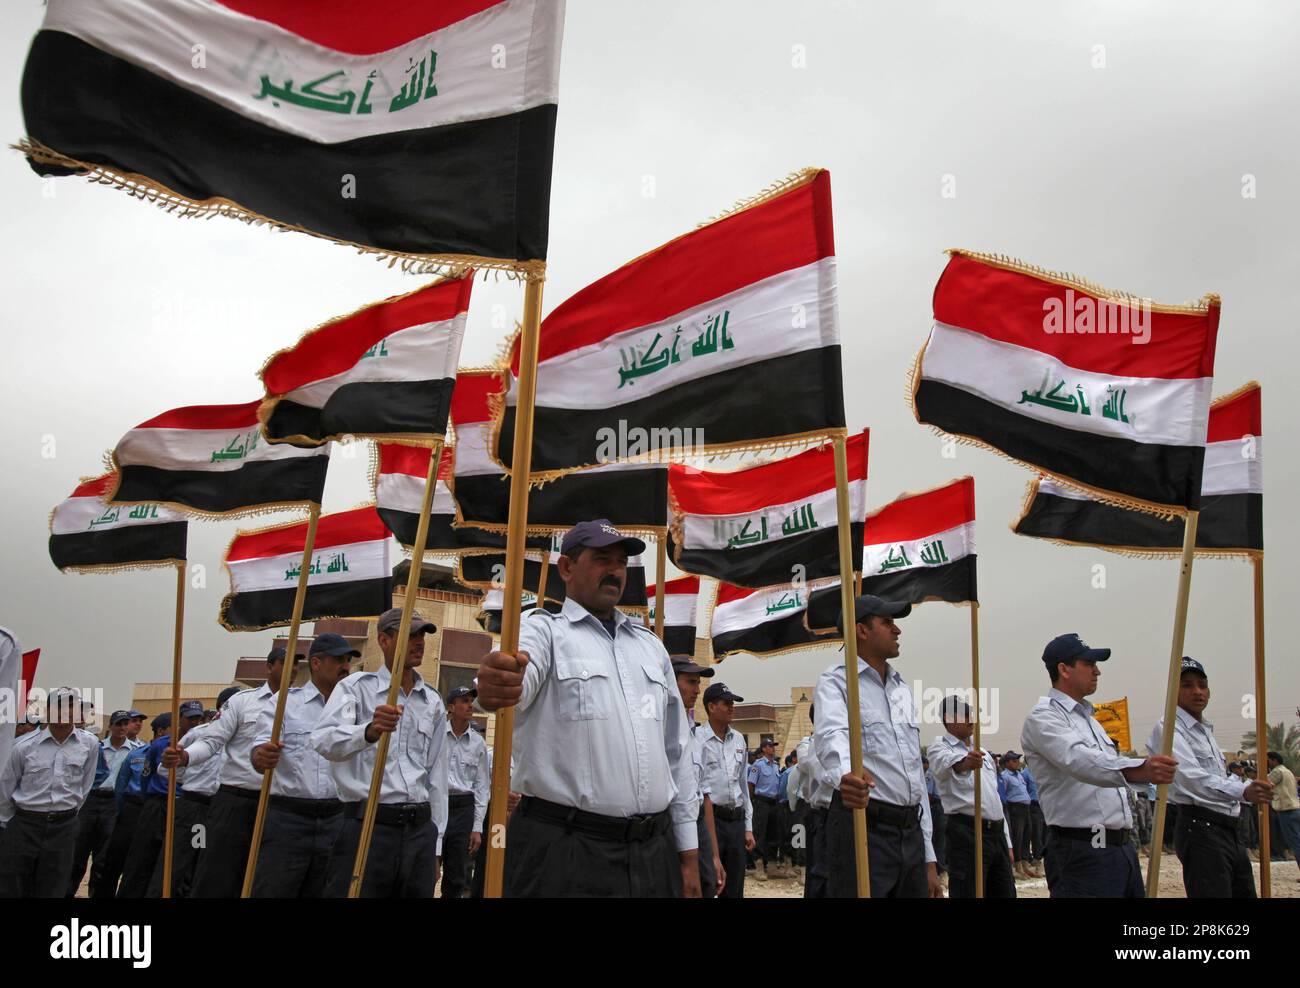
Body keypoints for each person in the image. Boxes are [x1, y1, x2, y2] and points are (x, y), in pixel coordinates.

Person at [476, 520, 700, 898]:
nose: (614, 570)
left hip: (652, 851)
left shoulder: (651, 647)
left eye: (620, 562)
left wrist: (688, 853)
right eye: (601, 559)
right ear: (566, 568)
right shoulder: (543, 630)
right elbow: (515, 674)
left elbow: (676, 752)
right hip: (567, 850)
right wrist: (498, 682)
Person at [1020, 633, 1177, 898]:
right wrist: (1139, 769)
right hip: (1082, 850)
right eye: (1089, 663)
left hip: (1120, 848)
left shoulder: (1091, 721)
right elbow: (1079, 761)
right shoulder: (1043, 718)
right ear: (1064, 669)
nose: (1097, 671)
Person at [313, 608, 448, 898]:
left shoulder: (432, 701)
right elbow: (325, 740)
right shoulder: (355, 690)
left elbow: (437, 775)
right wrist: (367, 731)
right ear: (384, 641)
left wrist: (435, 843)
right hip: (368, 827)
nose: (419, 642)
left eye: (422, 634)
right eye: (410, 635)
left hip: (419, 830)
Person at [814, 595, 943, 899]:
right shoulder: (837, 683)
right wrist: (846, 775)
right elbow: (832, 736)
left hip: (910, 832)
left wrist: (928, 856)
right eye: (887, 622)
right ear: (861, 630)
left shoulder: (902, 689)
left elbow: (914, 773)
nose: (897, 630)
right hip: (865, 828)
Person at [165, 646, 302, 897]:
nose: (292, 669)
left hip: (278, 805)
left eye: (296, 663)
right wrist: (186, 756)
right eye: (285, 662)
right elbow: (211, 741)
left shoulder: (303, 704)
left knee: (265, 880)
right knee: (218, 876)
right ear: (269, 667)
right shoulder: (241, 702)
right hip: (235, 801)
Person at [1145, 657, 1273, 898]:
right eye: (1187, 685)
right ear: (1173, 690)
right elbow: (1191, 780)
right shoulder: (1169, 728)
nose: (1197, 692)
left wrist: (1249, 789)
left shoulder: (1205, 732)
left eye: (1202, 685)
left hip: (1229, 830)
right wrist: (1244, 791)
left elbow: (1218, 777)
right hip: (1200, 828)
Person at [246, 634, 357, 898]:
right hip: (289, 819)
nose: (346, 666)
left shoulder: (354, 708)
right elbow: (259, 750)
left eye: (348, 661)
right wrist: (261, 757)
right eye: (338, 659)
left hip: (337, 818)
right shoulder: (285, 702)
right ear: (316, 663)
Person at [0, 688, 99, 897]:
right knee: (14, 884)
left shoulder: (89, 745)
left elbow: (85, 785)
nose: (66, 712)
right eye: (60, 706)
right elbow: (5, 790)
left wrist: (65, 814)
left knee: (54, 886)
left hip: (64, 827)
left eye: (72, 706)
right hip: (25, 824)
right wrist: (13, 824)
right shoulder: (24, 746)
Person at [927, 696, 1015, 898]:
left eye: (971, 713)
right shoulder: (939, 748)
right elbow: (950, 764)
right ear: (948, 719)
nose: (970, 718)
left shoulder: (982, 751)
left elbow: (994, 800)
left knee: (1004, 890)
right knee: (970, 890)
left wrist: (1007, 842)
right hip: (967, 831)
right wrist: (966, 762)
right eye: (964, 714)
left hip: (996, 832)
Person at [167, 687, 240, 897]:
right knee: (182, 859)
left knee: (206, 861)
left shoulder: (239, 740)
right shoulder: (200, 733)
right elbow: (168, 769)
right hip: (195, 806)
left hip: (219, 809)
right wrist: (192, 783)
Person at [66, 709, 141, 897]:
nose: (123, 728)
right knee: (78, 853)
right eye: (119, 724)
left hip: (113, 803)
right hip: (91, 800)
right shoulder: (96, 747)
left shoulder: (134, 751)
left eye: (126, 724)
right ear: (111, 726)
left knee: (103, 857)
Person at [673, 656, 724, 897]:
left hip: (696, 821)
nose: (697, 689)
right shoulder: (662, 729)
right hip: (672, 822)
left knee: (707, 884)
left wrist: (714, 855)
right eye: (691, 681)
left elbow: (704, 797)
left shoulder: (694, 733)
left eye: (698, 682)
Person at [699, 681, 754, 898]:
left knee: (734, 887)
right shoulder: (698, 739)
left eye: (733, 703)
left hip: (736, 823)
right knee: (709, 881)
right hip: (711, 823)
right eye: (726, 703)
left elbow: (743, 786)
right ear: (711, 707)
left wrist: (748, 827)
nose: (731, 708)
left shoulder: (739, 739)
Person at [439, 684, 489, 899]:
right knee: (424, 868)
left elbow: (481, 787)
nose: (470, 706)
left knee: (457, 875)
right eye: (464, 701)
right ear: (451, 707)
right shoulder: (437, 734)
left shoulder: (478, 743)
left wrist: (477, 827)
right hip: (436, 805)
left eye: (471, 701)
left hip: (463, 810)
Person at [794, 706, 832, 898]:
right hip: (820, 814)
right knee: (819, 874)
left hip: (842, 813)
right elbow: (811, 766)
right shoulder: (807, 744)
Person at [749, 738, 784, 880]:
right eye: (770, 746)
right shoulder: (758, 765)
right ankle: (758, 867)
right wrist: (752, 802)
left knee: (774, 833)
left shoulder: (775, 765)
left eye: (773, 746)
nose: (772, 748)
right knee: (760, 833)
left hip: (774, 803)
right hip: (761, 802)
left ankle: (772, 866)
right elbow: (751, 784)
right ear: (763, 749)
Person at [1000, 752, 1037, 878]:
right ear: (1007, 763)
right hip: (1015, 809)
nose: (1017, 762)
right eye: (1014, 760)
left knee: (1027, 835)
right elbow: (1004, 794)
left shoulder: (1019, 775)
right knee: (1017, 837)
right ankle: (1018, 865)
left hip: (1026, 807)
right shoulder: (1005, 776)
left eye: (1017, 760)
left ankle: (1025, 863)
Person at [1267, 751, 1300, 868]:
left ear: (1274, 760)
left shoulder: (1277, 771)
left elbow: (1265, 784)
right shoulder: (1288, 771)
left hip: (1287, 810)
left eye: (1268, 760)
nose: (1267, 763)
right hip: (1295, 808)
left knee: (1295, 842)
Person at [923, 755, 947, 880]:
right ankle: (940, 871)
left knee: (943, 841)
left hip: (945, 806)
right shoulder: (931, 773)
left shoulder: (944, 770)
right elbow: (928, 794)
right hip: (936, 807)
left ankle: (942, 869)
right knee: (938, 840)